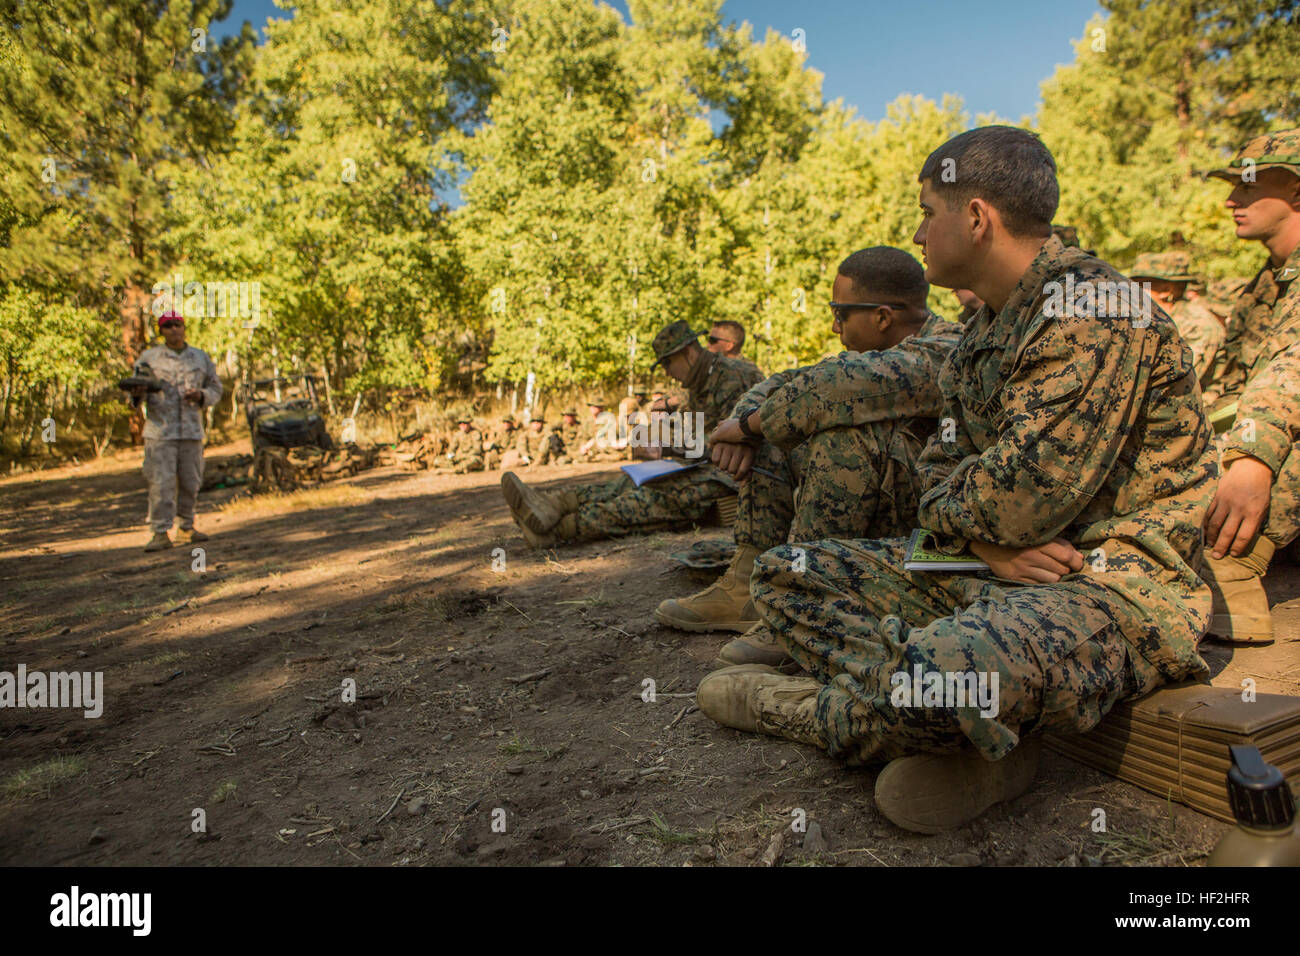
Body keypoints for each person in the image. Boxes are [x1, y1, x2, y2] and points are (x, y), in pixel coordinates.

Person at [695, 126, 1216, 834]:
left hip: (1105, 582)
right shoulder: (982, 331)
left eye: (925, 210)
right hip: (990, 565)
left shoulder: (1093, 311)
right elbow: (941, 475)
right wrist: (984, 544)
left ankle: (812, 711)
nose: (916, 231)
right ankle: (973, 733)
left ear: (975, 218)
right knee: (788, 572)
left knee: (946, 672)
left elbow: (1020, 497)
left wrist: (983, 525)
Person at [654, 247, 964, 643]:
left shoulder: (947, 347)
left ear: (882, 317)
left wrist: (751, 425)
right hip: (881, 507)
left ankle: (802, 601)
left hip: (925, 526)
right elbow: (784, 384)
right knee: (779, 429)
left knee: (838, 431)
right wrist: (748, 428)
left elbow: (834, 387)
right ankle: (747, 586)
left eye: (841, 313)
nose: (835, 328)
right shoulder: (873, 353)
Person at [501, 320, 763, 547]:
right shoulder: (702, 381)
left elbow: (734, 437)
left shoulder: (733, 376)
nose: (666, 372)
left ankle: (559, 529)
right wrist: (662, 442)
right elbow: (701, 436)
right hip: (713, 466)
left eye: (667, 363)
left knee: (659, 498)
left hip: (741, 474)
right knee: (632, 482)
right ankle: (554, 505)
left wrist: (667, 447)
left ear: (688, 353)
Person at [1197, 127, 1300, 645]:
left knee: (1262, 435)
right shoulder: (1270, 279)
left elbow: (1292, 372)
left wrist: (1250, 459)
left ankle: (1234, 566)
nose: (1232, 199)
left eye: (1250, 185)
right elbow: (1234, 383)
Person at [128, 311, 223, 552]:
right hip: (160, 431)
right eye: (168, 326)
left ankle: (186, 527)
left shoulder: (199, 358)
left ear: (184, 327)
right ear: (161, 330)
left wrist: (202, 396)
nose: (173, 329)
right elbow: (133, 394)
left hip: (191, 430)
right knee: (161, 482)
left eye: (177, 324)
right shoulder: (149, 359)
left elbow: (215, 387)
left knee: (192, 481)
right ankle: (160, 532)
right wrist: (138, 392)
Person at [1129, 251, 1224, 388]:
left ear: (1166, 290)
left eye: (1141, 285)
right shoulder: (1149, 318)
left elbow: (1177, 379)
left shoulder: (1197, 325)